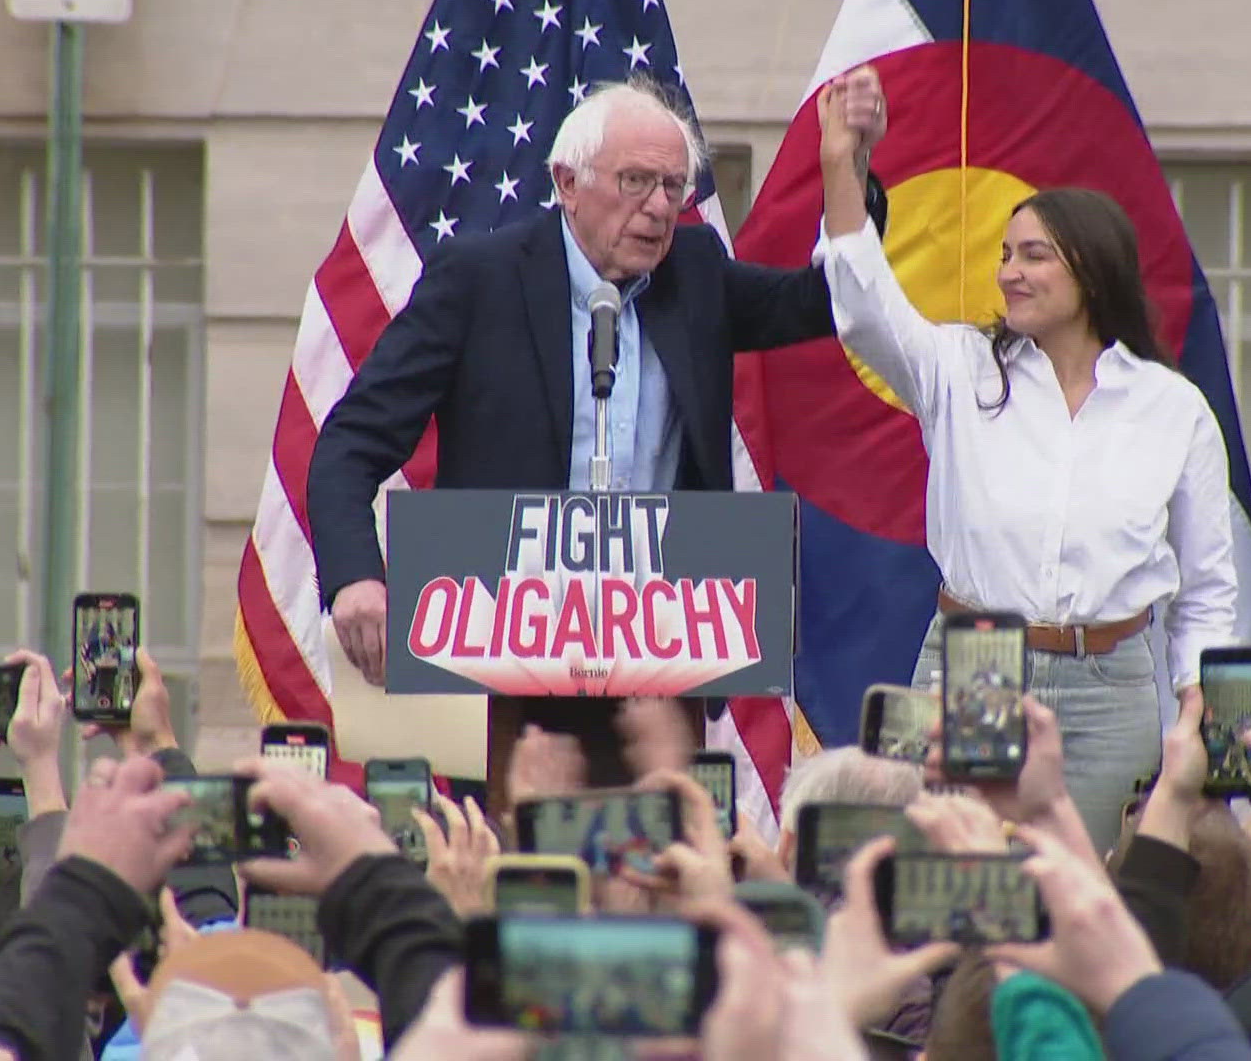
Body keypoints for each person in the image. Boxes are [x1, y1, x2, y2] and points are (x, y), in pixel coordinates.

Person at [307, 71, 892, 804]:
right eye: (636, 181)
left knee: (653, 875)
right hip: (501, 660)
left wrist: (848, 166)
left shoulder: (697, 274)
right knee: (511, 876)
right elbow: (349, 445)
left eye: (673, 188)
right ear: (567, 182)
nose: (657, 208)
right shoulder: (479, 281)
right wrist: (357, 578)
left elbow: (823, 301)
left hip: (656, 663)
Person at [810, 78, 1238, 853]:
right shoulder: (960, 370)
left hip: (1114, 693)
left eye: (1034, 256)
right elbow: (864, 306)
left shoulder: (1173, 409)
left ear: (1093, 270)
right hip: (974, 671)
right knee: (955, 889)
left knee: (1100, 892)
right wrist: (842, 162)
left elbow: (1208, 591)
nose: (1009, 272)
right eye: (1006, 255)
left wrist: (1196, 711)